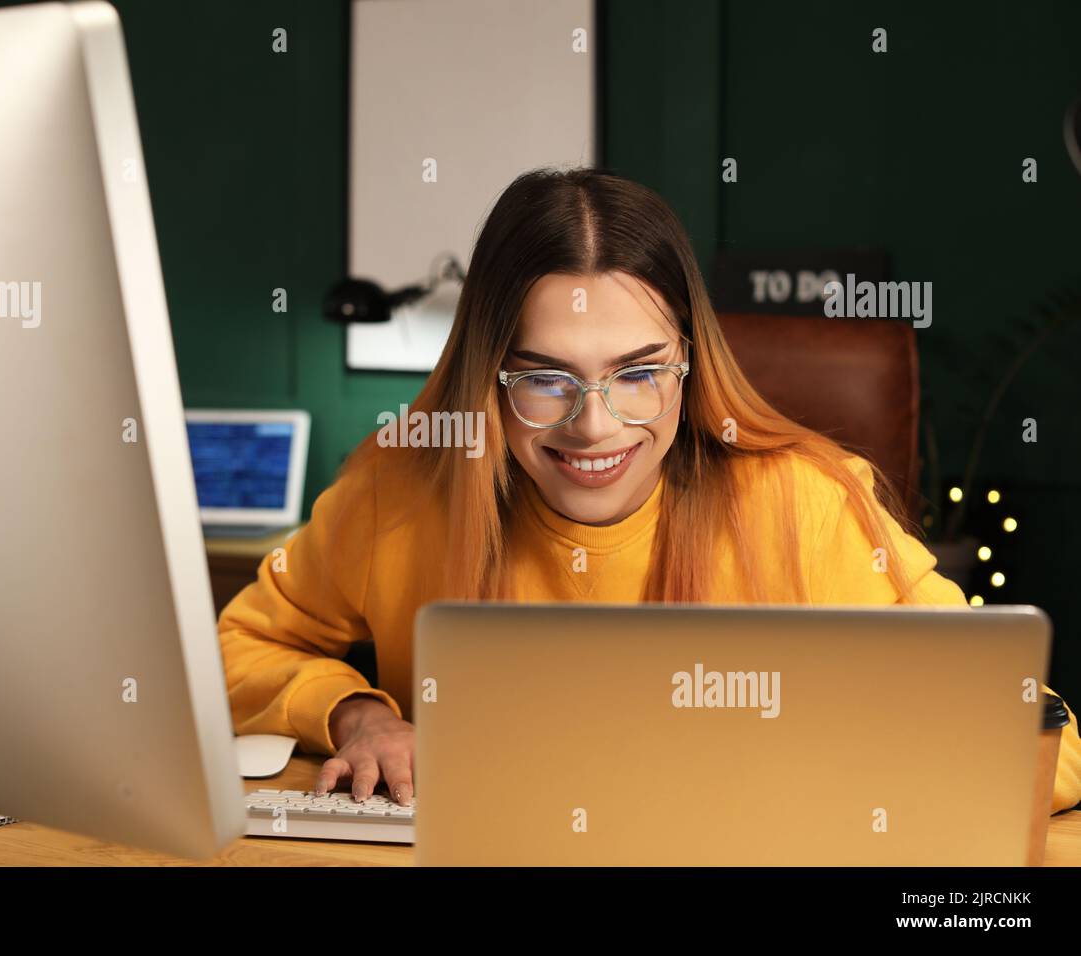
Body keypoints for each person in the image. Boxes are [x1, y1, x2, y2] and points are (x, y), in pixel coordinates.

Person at [217, 167, 1081, 815]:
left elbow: (1046, 738)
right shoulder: (397, 493)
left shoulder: (806, 504)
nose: (595, 428)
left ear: (688, 365)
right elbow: (228, 656)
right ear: (487, 376)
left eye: (637, 374)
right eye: (544, 380)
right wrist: (358, 714)